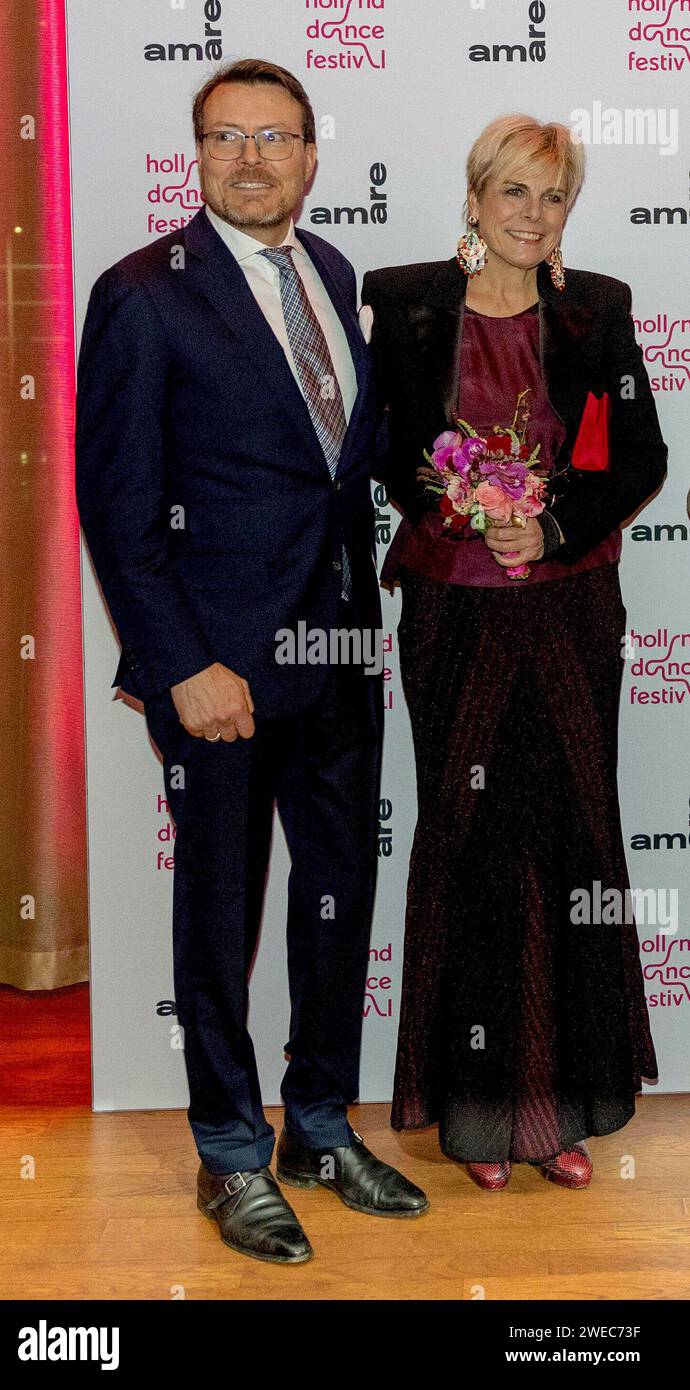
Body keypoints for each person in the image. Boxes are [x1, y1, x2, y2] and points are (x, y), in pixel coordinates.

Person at [75, 58, 427, 1265]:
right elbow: (118, 507)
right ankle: (230, 1150)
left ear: (310, 156)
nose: (251, 158)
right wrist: (178, 665)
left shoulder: (329, 274)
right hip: (218, 672)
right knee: (218, 917)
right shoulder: (142, 294)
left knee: (338, 904)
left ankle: (319, 1124)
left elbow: (345, 464)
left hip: (338, 656)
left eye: (274, 138)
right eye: (226, 136)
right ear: (197, 153)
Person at [361, 114, 667, 1192]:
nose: (532, 217)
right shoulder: (402, 301)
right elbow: (389, 448)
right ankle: (480, 1109)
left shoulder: (599, 312)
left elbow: (640, 456)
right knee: (471, 841)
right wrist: (454, 505)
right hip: (452, 611)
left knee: (568, 845)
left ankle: (561, 1107)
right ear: (474, 195)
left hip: (568, 609)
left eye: (552, 198)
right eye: (513, 194)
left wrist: (551, 524)